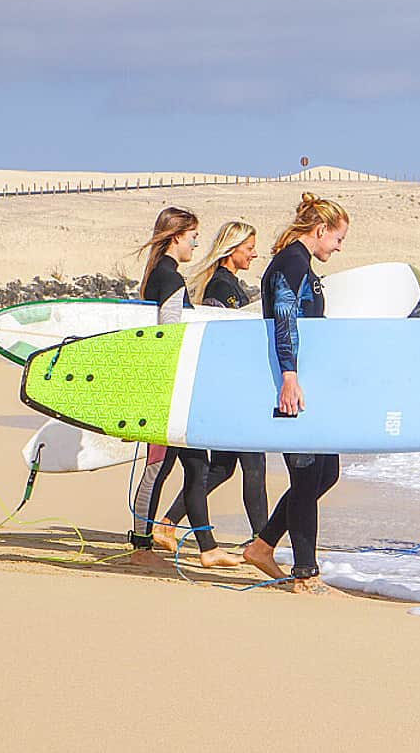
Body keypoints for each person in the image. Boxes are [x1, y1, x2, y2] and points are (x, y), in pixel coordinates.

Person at [242, 193, 349, 594]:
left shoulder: (300, 262)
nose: (338, 247)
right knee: (306, 474)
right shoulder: (291, 261)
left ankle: (263, 545)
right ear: (320, 230)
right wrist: (289, 375)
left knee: (326, 472)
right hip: (290, 382)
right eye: (337, 239)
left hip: (305, 382)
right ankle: (306, 573)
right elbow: (284, 318)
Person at [128, 207, 241, 568]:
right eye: (193, 235)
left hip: (167, 390)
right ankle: (142, 546)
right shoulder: (170, 278)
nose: (196, 241)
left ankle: (206, 549)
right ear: (177, 237)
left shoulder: (157, 274)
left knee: (194, 467)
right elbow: (169, 337)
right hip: (170, 391)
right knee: (160, 467)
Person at [154, 222, 268, 550]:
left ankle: (167, 522)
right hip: (230, 392)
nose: (254, 254)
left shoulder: (228, 284)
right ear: (232, 250)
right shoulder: (221, 287)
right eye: (249, 249)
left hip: (227, 389)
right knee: (253, 464)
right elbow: (225, 341)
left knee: (222, 468)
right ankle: (262, 541)